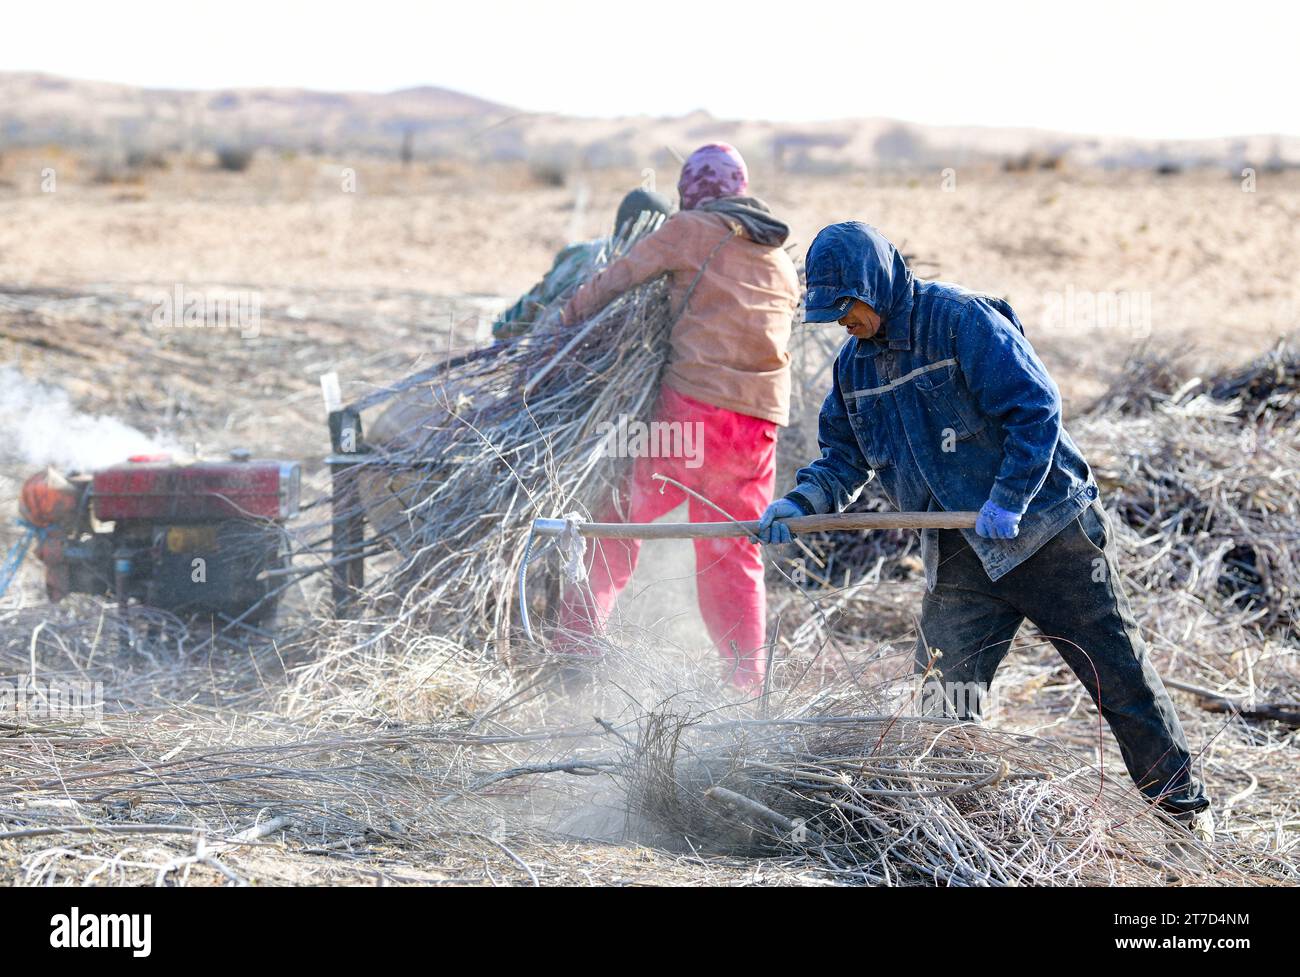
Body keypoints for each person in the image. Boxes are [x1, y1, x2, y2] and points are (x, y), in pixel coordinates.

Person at [755, 221, 1213, 841]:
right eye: (831, 311)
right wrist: (802, 502)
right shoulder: (854, 368)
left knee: (1118, 676)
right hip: (961, 548)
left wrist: (1008, 497)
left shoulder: (960, 321)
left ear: (875, 287)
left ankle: (1186, 813)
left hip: (1048, 530)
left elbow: (1035, 409)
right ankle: (953, 828)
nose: (843, 321)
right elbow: (843, 458)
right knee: (944, 699)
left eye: (847, 306)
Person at [556, 143, 800, 688]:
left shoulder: (689, 229)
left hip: (691, 419)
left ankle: (574, 650)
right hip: (759, 429)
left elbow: (617, 278)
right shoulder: (781, 260)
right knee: (733, 549)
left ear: (692, 192)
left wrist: (563, 324)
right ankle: (745, 682)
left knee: (617, 520)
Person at [491, 188, 673, 340]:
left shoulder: (582, 254)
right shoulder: (664, 274)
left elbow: (534, 302)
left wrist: (502, 330)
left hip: (552, 358)